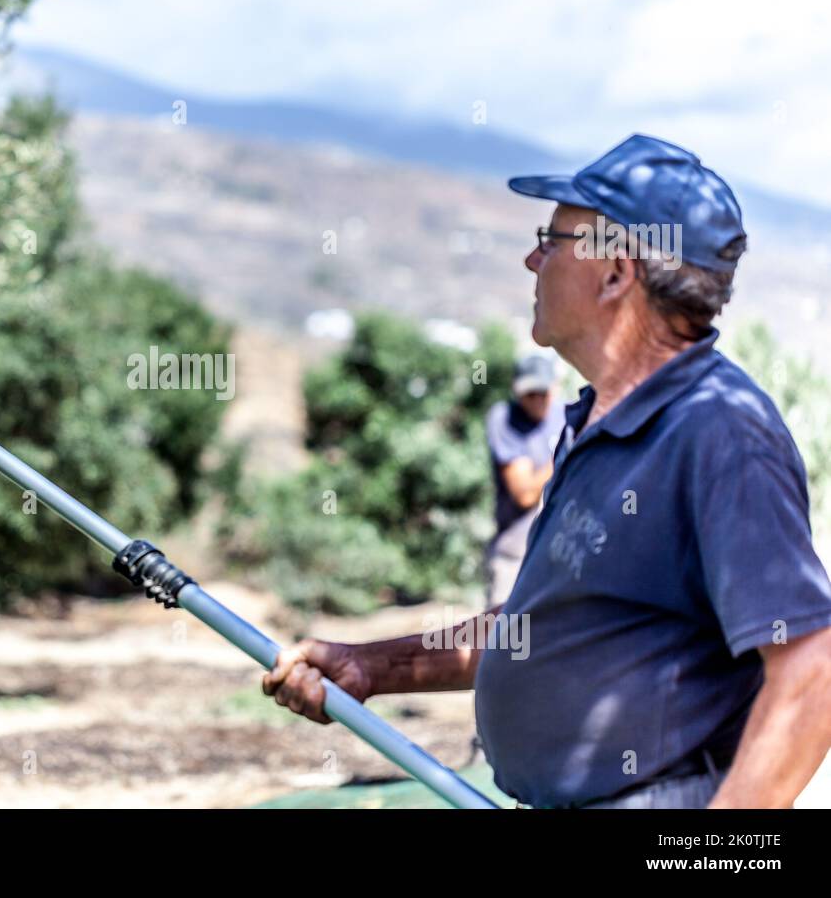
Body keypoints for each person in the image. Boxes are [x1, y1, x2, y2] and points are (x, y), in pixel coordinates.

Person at [262, 134, 831, 808]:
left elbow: (811, 672)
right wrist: (371, 665)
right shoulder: (596, 422)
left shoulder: (719, 433)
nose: (532, 258)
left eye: (552, 240)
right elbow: (535, 627)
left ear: (615, 273)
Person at [483, 354, 565, 606]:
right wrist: (566, 453)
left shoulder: (568, 414)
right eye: (530, 394)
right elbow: (525, 493)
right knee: (504, 640)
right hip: (514, 554)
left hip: (559, 556)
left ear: (555, 387)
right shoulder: (505, 419)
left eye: (543, 392)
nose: (537, 400)